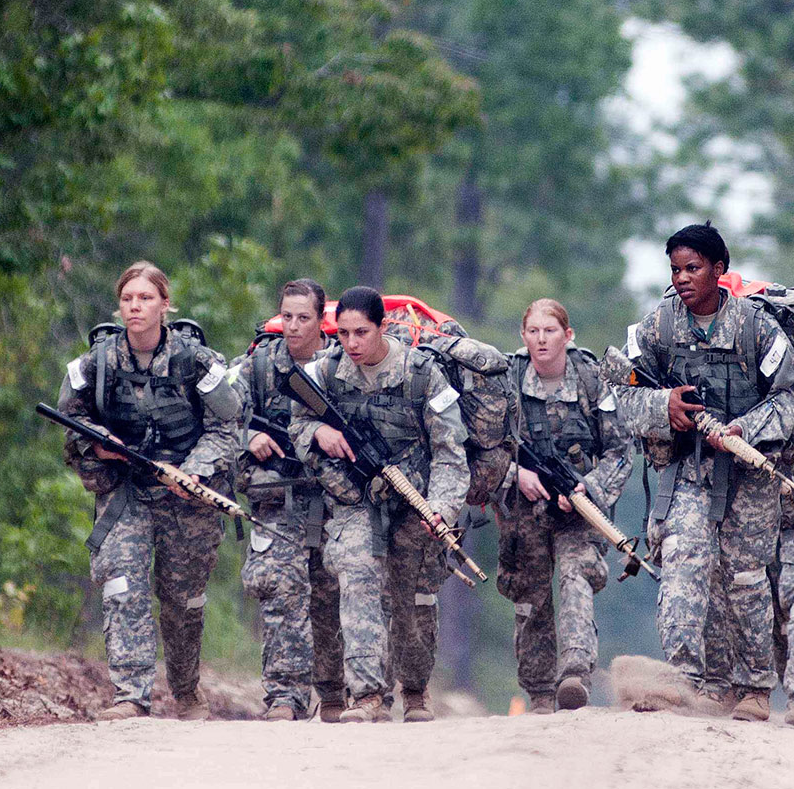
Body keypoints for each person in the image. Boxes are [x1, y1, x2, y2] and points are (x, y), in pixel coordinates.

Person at [607, 224, 794, 722]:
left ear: (719, 270)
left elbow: (790, 395)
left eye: (692, 268)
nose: (682, 278)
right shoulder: (657, 327)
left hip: (749, 471)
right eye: (675, 269)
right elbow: (621, 394)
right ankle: (686, 682)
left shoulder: (756, 328)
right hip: (688, 468)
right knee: (684, 563)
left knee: (743, 578)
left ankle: (754, 686)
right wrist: (664, 406)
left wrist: (744, 429)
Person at [57, 261, 241, 720]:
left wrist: (192, 473)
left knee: (183, 601)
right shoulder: (96, 363)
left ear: (165, 305)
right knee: (122, 584)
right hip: (126, 492)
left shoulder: (197, 362)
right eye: (127, 299)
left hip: (186, 497)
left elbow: (227, 426)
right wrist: (99, 444)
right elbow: (71, 420)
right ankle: (131, 695)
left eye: (145, 298)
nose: (135, 307)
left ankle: (186, 692)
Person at [287, 286, 469, 723]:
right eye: (343, 333)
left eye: (361, 333)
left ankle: (416, 690)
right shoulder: (325, 372)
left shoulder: (421, 374)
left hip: (415, 502)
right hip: (354, 499)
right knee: (357, 576)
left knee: (413, 600)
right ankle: (367, 695)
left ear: (382, 327)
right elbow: (297, 424)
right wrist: (317, 433)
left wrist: (441, 507)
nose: (351, 343)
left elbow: (450, 451)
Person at [498, 299, 632, 713]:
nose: (541, 340)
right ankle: (539, 692)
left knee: (577, 576)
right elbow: (480, 446)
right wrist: (515, 475)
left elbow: (620, 451)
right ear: (523, 336)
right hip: (524, 509)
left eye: (550, 331)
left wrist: (587, 489)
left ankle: (574, 674)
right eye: (533, 331)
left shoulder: (591, 379)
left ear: (567, 335)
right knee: (530, 593)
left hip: (579, 507)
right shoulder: (507, 380)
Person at [232, 279, 345, 722]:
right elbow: (217, 416)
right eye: (287, 317)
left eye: (303, 318)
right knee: (280, 591)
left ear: (321, 320)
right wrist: (249, 435)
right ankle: (285, 695)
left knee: (329, 597)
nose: (293, 326)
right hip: (277, 500)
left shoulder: (341, 367)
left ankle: (334, 692)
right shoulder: (257, 367)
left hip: (334, 500)